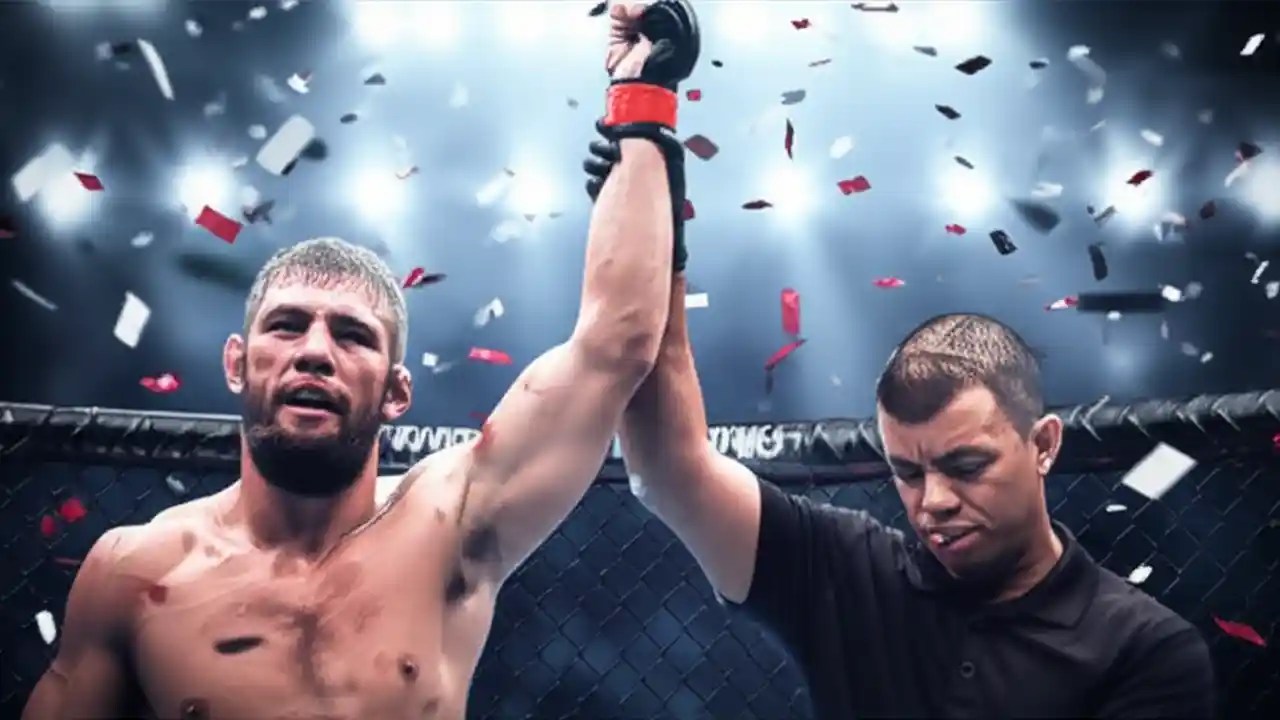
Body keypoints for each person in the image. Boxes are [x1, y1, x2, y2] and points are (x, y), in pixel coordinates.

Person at [22, 4, 697, 718]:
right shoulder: (134, 570)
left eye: (352, 335)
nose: (314, 352)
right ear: (236, 363)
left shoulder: (452, 519)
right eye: (287, 327)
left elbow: (615, 346)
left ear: (397, 390)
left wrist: (641, 100)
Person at [606, 274, 1217, 716]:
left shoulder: (1144, 649)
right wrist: (657, 230)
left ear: (1043, 446)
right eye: (908, 472)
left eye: (967, 466)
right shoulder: (847, 569)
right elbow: (667, 470)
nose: (936, 501)